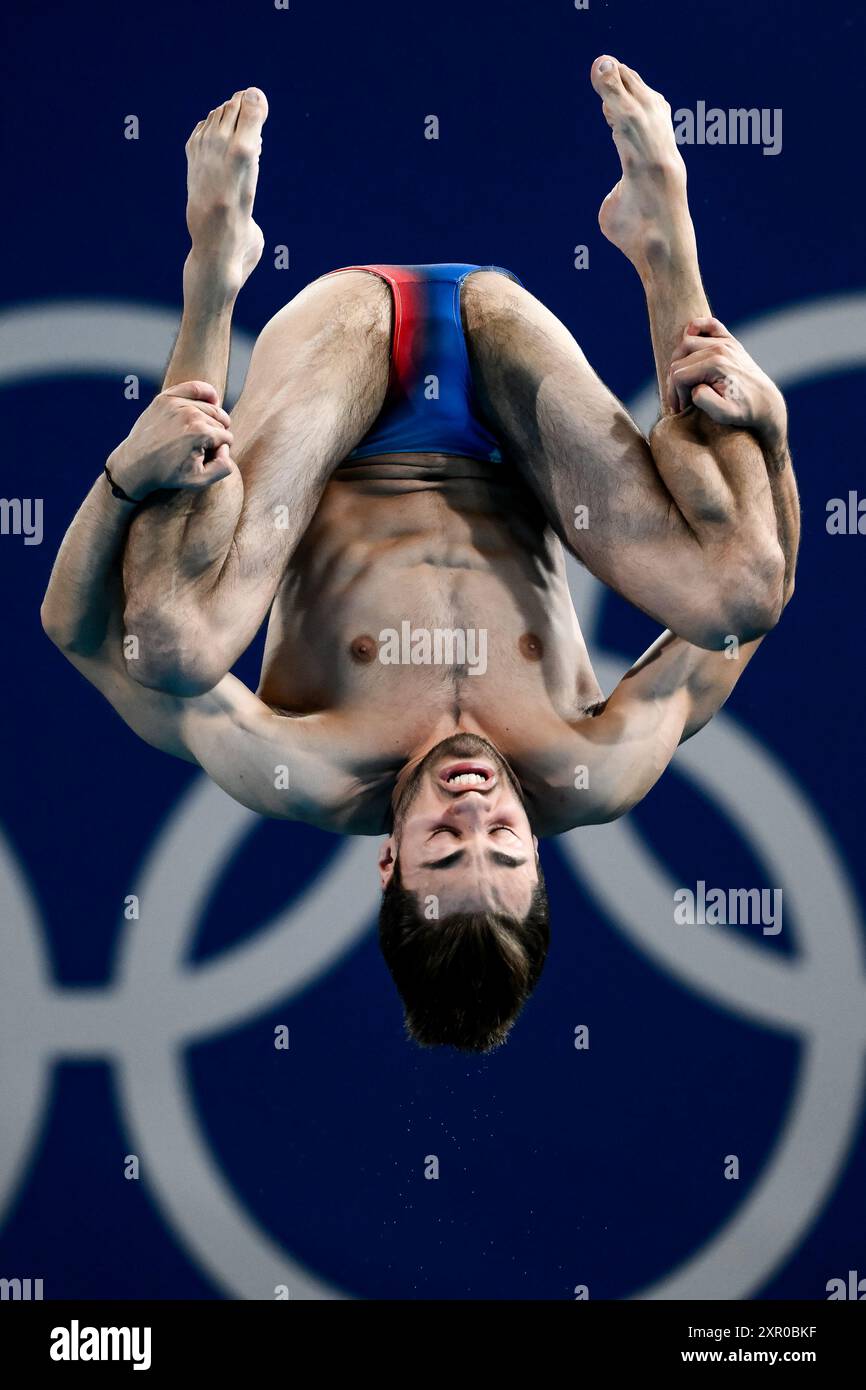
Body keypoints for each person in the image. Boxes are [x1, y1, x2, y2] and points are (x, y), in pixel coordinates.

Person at [42, 58, 799, 1052]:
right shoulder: (595, 769)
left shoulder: (295, 769)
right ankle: (663, 239)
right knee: (732, 583)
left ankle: (212, 273)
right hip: (504, 386)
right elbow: (758, 601)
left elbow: (81, 632)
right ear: (541, 855)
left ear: (389, 863)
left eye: (446, 847)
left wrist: (124, 478)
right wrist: (773, 433)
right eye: (504, 846)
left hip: (339, 371)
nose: (475, 810)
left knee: (171, 644)